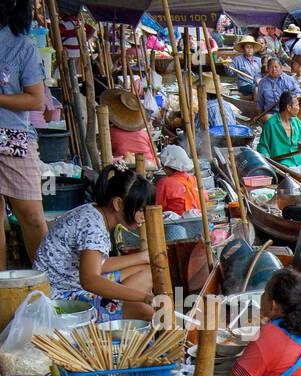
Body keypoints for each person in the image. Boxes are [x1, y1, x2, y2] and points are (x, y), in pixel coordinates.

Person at [34, 166, 155, 322]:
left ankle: (119, 306)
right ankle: (116, 312)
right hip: (60, 300)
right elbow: (90, 280)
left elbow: (98, 265)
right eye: (140, 210)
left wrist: (142, 258)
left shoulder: (93, 212)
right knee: (147, 312)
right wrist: (145, 298)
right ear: (118, 203)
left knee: (147, 272)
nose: (144, 217)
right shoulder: (94, 228)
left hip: (73, 282)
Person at [0, 0, 49, 268]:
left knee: (32, 217)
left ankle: (49, 286)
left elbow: (35, 100)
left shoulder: (22, 45)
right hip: (12, 138)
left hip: (13, 139)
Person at [103, 88, 157, 166]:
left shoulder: (110, 132)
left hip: (128, 168)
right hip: (149, 165)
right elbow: (153, 151)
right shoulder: (143, 133)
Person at [257, 91, 301, 168]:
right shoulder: (271, 124)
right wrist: (266, 159)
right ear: (289, 107)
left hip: (298, 163)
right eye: (297, 105)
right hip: (280, 166)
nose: (299, 108)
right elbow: (263, 146)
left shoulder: (297, 122)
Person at [153, 144, 202, 217]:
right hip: (198, 220)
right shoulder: (192, 179)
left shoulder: (165, 183)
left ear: (166, 166)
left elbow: (157, 208)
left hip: (177, 223)